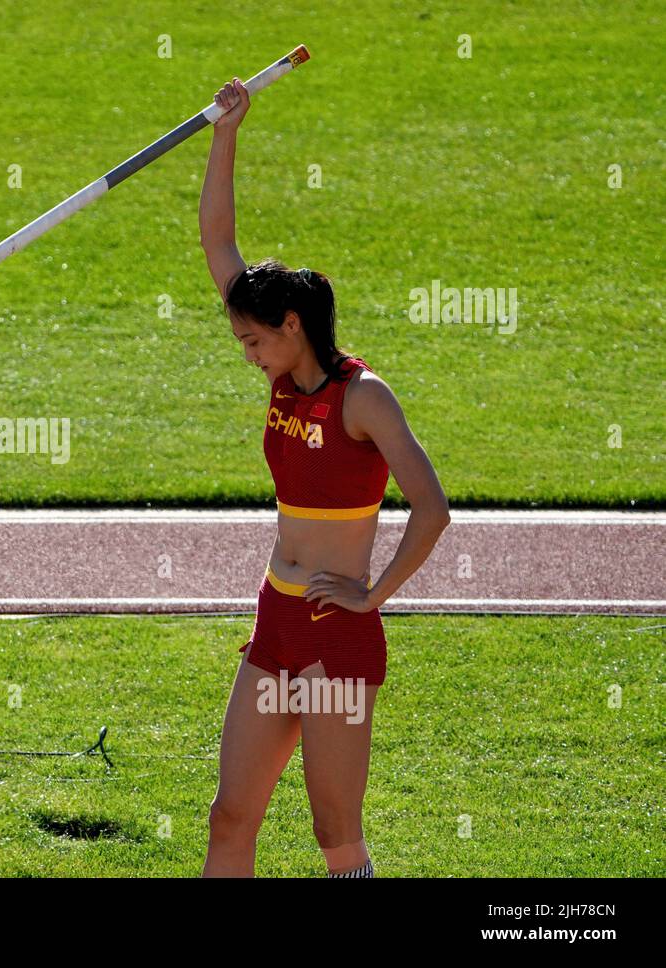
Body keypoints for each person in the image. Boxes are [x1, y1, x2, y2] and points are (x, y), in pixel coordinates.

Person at [197, 78, 451, 877]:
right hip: (275, 619)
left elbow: (433, 509)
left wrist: (373, 596)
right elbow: (219, 247)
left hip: (336, 638)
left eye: (253, 341)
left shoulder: (361, 397)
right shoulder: (284, 381)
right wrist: (225, 132)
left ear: (292, 326)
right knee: (230, 815)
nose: (247, 354)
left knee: (334, 830)